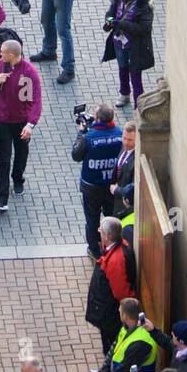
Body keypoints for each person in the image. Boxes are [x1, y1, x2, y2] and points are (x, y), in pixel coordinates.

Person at [0, 37, 42, 210]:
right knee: (2, 159)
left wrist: (30, 124)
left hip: (21, 122)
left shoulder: (30, 73)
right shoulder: (1, 64)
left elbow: (37, 101)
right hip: (2, 120)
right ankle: (1, 199)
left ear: (11, 55)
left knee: (21, 153)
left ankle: (18, 178)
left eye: (2, 53)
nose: (0, 54)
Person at [87, 297, 158, 372]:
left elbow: (125, 369)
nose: (118, 313)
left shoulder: (141, 343)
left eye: (120, 312)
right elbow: (114, 347)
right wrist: (104, 370)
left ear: (125, 316)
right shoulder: (127, 326)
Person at [72, 104, 123, 259]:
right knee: (111, 217)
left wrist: (81, 133)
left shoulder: (90, 137)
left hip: (91, 187)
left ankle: (95, 251)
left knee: (92, 220)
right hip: (111, 186)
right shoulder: (120, 134)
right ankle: (111, 247)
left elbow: (76, 155)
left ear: (99, 119)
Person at [85, 216, 138, 355]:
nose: (99, 233)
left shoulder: (116, 260)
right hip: (108, 309)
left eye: (101, 231)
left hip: (109, 312)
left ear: (107, 236)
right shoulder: (117, 247)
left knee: (110, 343)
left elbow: (121, 292)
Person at [102, 0, 155, 105]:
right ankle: (124, 93)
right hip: (119, 42)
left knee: (135, 75)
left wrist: (120, 23)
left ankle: (139, 105)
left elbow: (144, 28)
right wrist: (108, 21)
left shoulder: (143, 4)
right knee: (122, 68)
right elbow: (110, 13)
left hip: (136, 45)